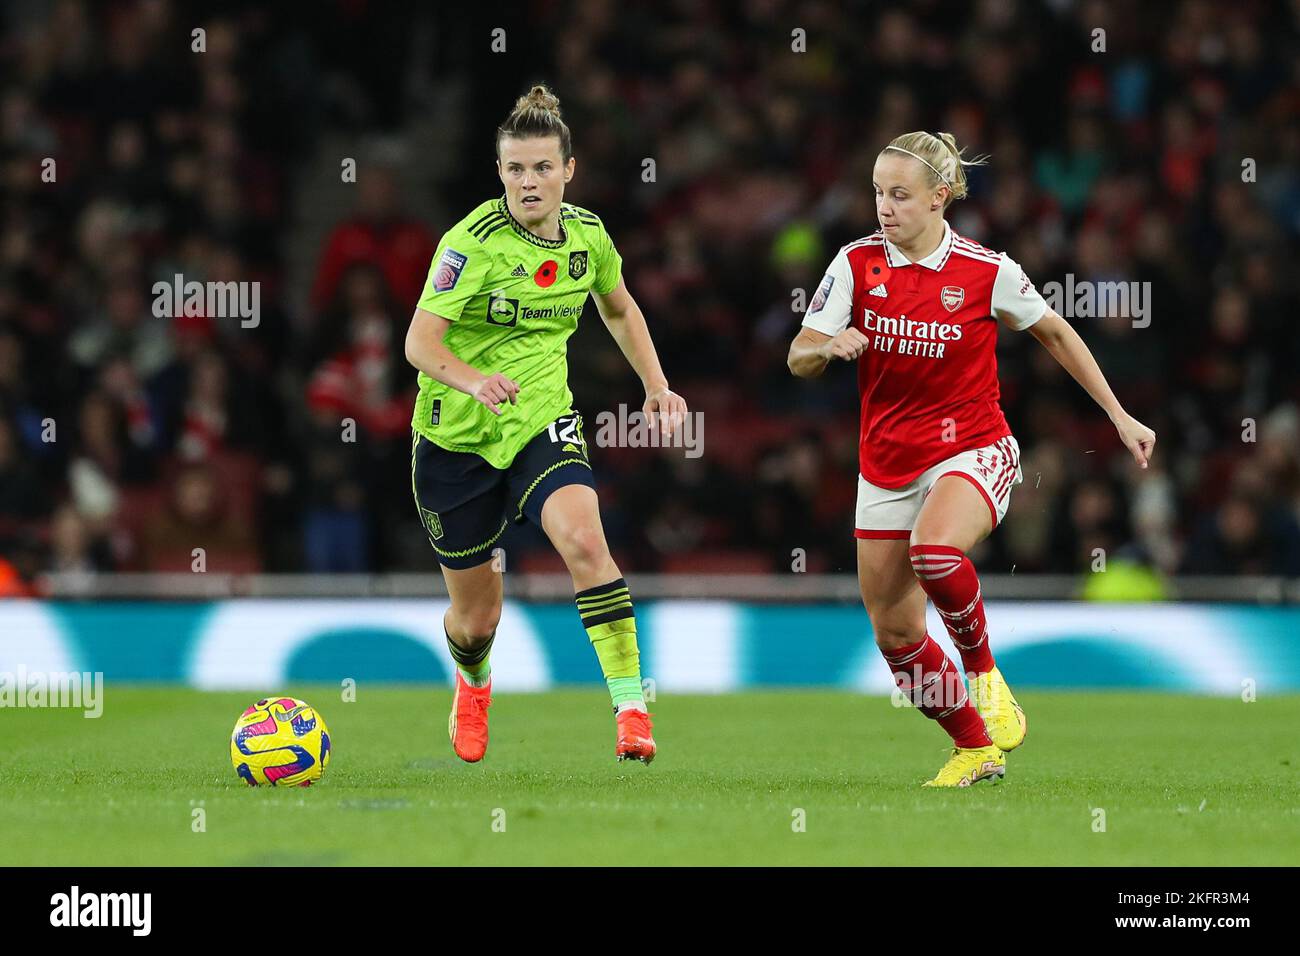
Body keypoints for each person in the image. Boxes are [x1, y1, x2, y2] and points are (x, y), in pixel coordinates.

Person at [788, 131, 1156, 787]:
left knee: (935, 551)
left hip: (973, 446)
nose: (884, 207)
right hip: (887, 466)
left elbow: (1054, 330)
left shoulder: (987, 271)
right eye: (877, 192)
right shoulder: (854, 265)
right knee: (896, 635)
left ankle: (984, 671)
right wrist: (827, 347)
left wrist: (1117, 414)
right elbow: (798, 353)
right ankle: (975, 749)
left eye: (899, 195)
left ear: (940, 197)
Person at [404, 85, 687, 765]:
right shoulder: (469, 245)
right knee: (477, 621)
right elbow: (419, 342)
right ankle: (473, 684)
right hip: (455, 441)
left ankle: (630, 709)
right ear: (499, 173)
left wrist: (657, 385)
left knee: (585, 542)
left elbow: (619, 310)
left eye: (540, 168)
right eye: (514, 170)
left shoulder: (588, 237)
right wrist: (474, 381)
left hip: (541, 421)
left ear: (568, 169)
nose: (528, 182)